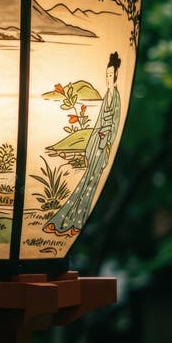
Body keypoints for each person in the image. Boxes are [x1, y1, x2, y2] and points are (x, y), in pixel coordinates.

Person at [43, 52, 122, 237]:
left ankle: (74, 223)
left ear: (117, 76)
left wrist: (105, 141)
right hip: (96, 144)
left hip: (104, 146)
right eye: (107, 75)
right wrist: (92, 145)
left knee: (91, 185)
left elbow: (115, 123)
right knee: (85, 183)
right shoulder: (106, 96)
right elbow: (99, 124)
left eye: (111, 75)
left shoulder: (116, 97)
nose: (108, 78)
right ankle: (63, 221)